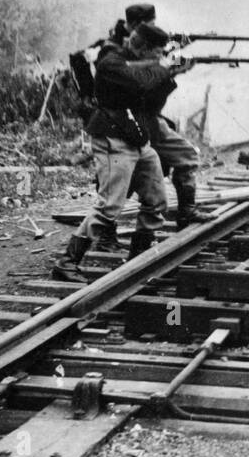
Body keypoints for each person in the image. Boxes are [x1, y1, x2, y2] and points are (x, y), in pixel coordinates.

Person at [54, 22, 193, 279]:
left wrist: (172, 74)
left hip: (137, 138)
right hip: (113, 139)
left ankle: (138, 259)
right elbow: (139, 84)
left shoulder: (139, 64)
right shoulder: (111, 61)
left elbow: (150, 100)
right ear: (142, 48)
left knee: (156, 201)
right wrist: (164, 68)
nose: (158, 57)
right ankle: (67, 262)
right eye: (155, 53)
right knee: (110, 205)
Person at [120, 2, 208, 229]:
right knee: (186, 157)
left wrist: (174, 67)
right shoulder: (123, 51)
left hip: (136, 121)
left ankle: (107, 234)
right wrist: (169, 72)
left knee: (127, 179)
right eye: (148, 24)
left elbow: (160, 65)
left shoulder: (126, 46)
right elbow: (147, 87)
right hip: (141, 120)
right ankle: (186, 211)